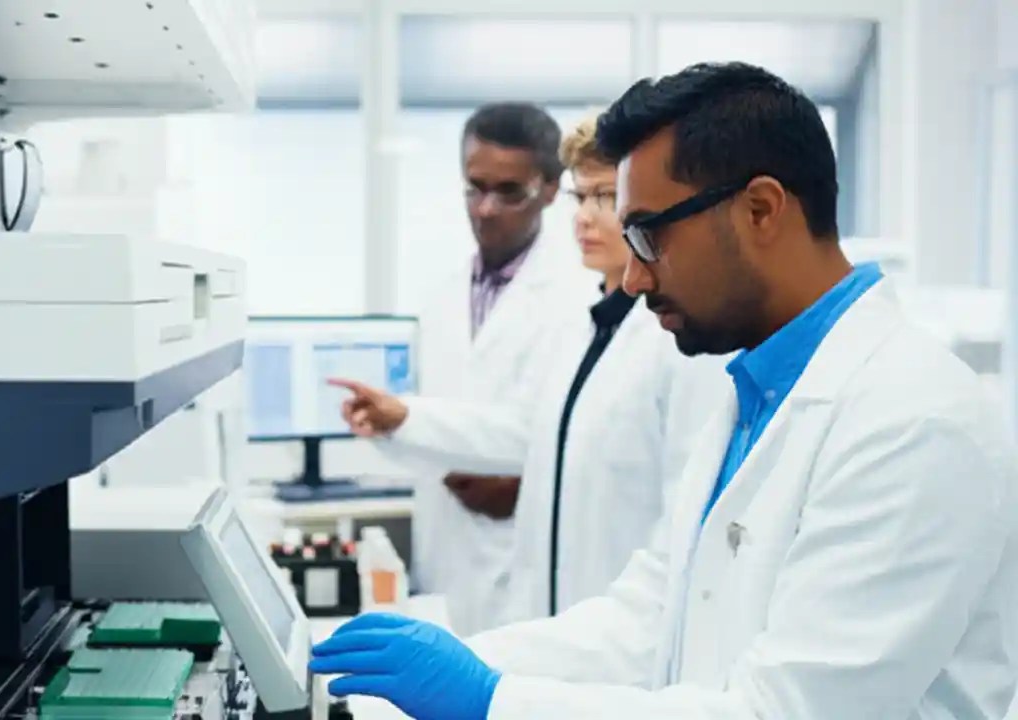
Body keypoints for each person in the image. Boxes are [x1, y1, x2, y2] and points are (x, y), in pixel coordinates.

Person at [311, 62, 1018, 719]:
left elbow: (783, 712)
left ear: (761, 210)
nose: (634, 277)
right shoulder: (751, 391)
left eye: (648, 235)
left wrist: (494, 699)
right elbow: (655, 616)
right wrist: (473, 659)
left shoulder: (914, 421)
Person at [330, 113, 726, 626]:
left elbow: (682, 534)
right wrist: (403, 418)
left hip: (620, 636)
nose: (586, 218)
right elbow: (528, 429)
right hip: (551, 617)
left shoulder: (682, 343)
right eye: (581, 198)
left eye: (606, 198)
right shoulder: (591, 330)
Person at [386, 102, 593, 637]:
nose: (485, 208)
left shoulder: (581, 295)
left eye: (508, 192)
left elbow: (576, 435)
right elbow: (436, 419)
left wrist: (528, 486)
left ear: (550, 189)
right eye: (474, 187)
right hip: (443, 555)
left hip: (524, 561)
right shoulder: (440, 298)